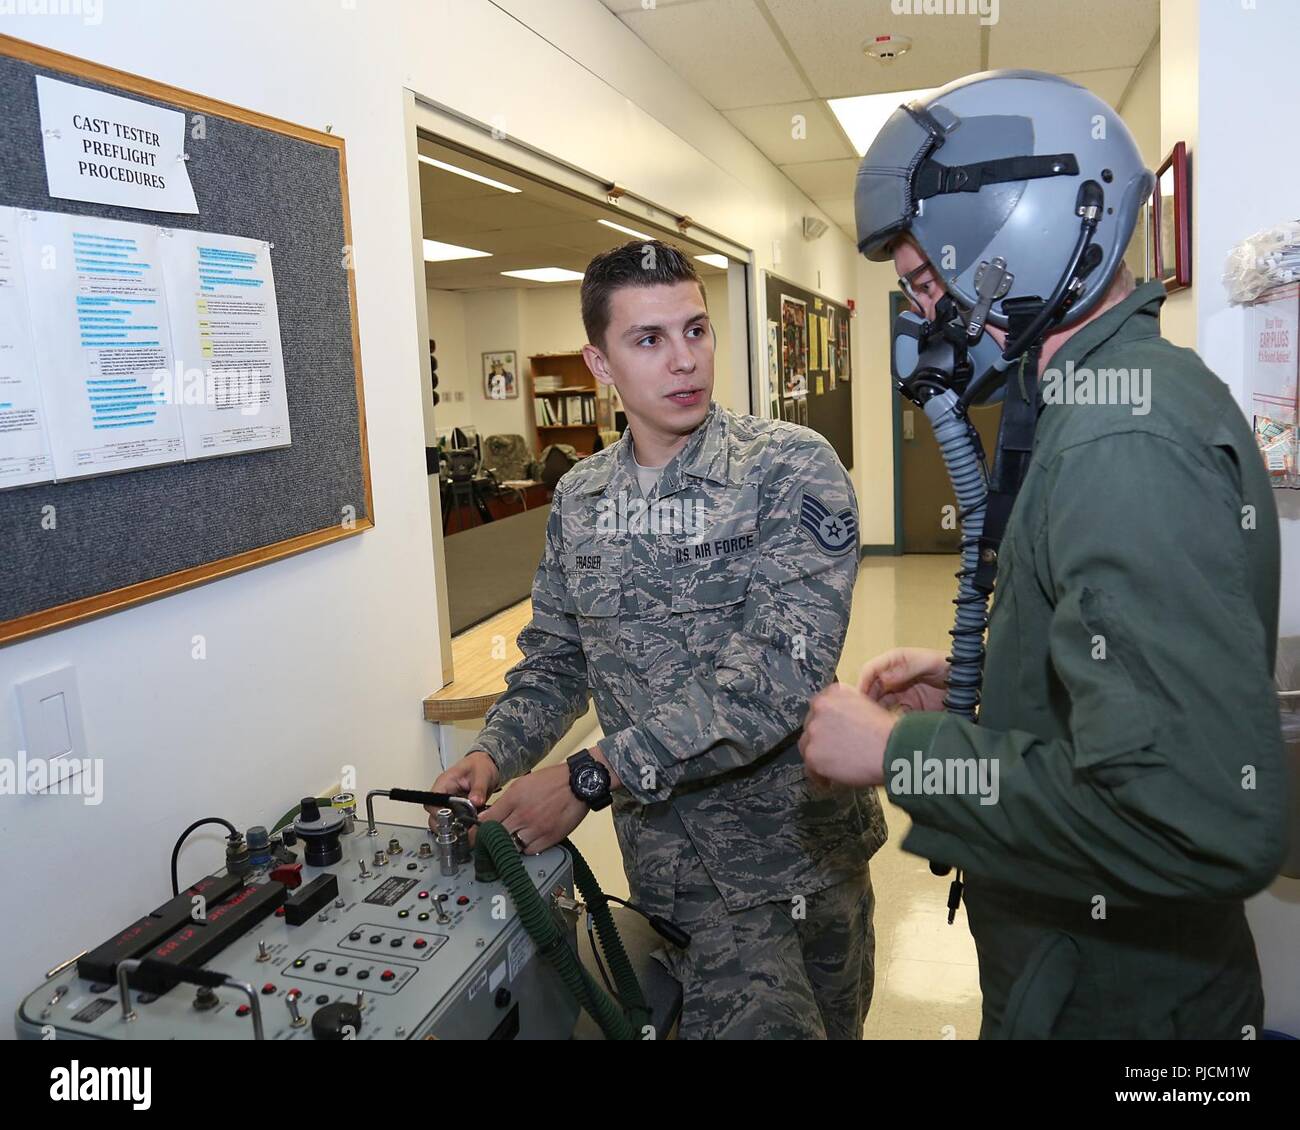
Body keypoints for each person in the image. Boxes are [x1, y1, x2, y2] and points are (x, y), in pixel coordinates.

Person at [801, 70, 1287, 1039]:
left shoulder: (1120, 439)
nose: (921, 321)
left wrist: (905, 751)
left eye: (929, 284)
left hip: (1125, 1012)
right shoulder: (1104, 401)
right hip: (1082, 979)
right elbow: (1117, 681)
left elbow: (1190, 817)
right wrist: (997, 684)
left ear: (1020, 236)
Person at [431, 239, 885, 1039]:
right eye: (649, 340)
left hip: (794, 860)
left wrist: (588, 777)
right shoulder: (579, 498)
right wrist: (496, 750)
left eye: (696, 330)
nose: (685, 361)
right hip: (674, 878)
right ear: (599, 361)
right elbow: (559, 657)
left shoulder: (788, 468)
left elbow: (778, 674)